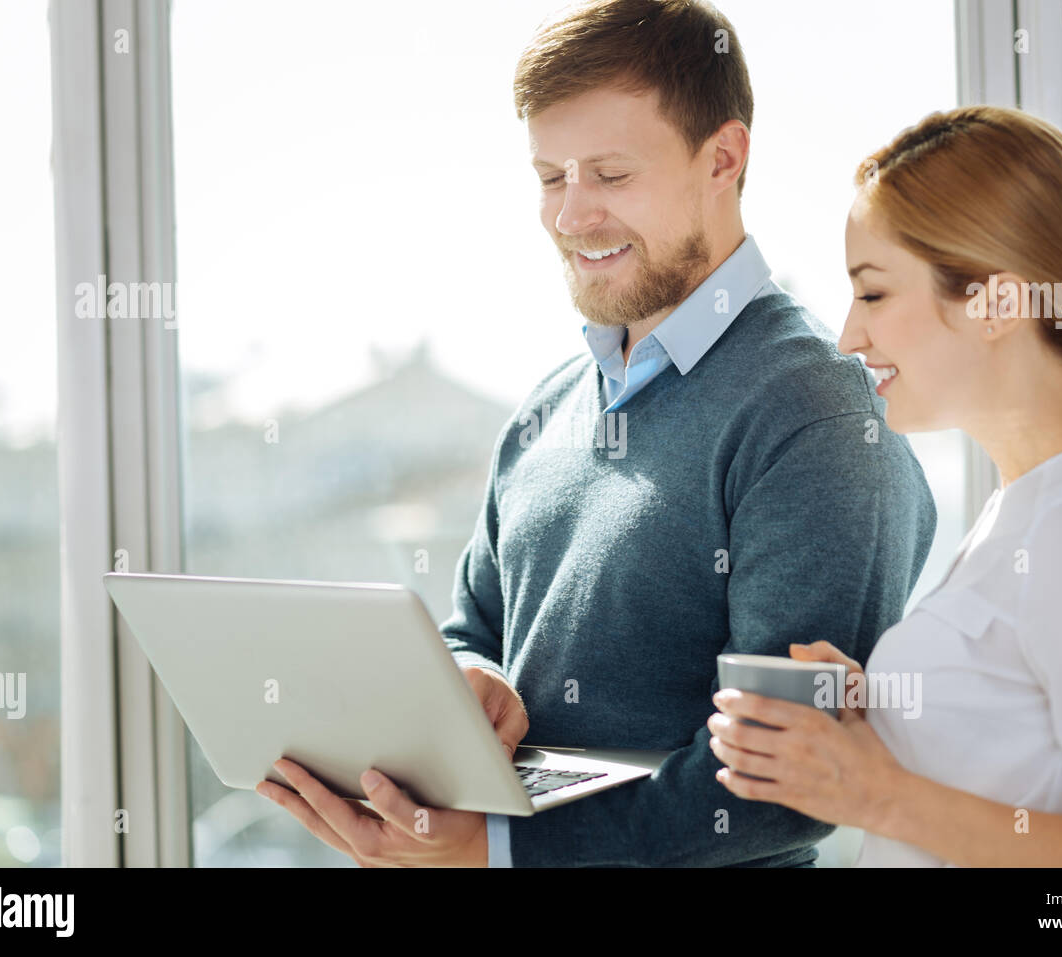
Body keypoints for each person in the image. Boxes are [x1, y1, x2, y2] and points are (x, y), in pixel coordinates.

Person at [257, 0, 935, 866]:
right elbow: (476, 626)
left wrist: (499, 854)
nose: (570, 216)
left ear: (723, 158)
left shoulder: (814, 415)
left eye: (610, 175)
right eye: (550, 178)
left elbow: (784, 785)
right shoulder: (546, 410)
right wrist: (475, 686)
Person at [708, 104, 1062, 866]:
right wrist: (885, 704)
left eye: (875, 292)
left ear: (999, 304)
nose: (849, 334)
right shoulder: (1037, 506)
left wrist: (872, 792)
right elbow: (1021, 743)